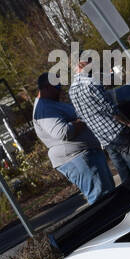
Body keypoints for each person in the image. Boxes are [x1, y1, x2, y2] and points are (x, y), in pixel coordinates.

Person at [32, 72, 114, 205]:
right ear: (46, 87)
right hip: (77, 158)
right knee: (101, 199)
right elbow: (62, 132)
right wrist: (81, 120)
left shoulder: (50, 104)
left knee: (108, 194)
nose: (60, 89)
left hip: (84, 155)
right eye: (57, 85)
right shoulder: (44, 108)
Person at [67, 55, 130, 185]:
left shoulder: (72, 90)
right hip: (116, 130)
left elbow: (81, 115)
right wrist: (125, 122)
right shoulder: (91, 82)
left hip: (103, 137)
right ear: (80, 64)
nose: (91, 61)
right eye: (88, 60)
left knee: (124, 173)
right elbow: (108, 107)